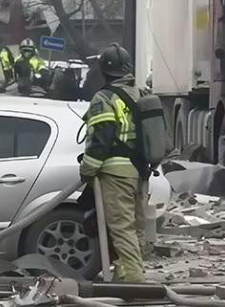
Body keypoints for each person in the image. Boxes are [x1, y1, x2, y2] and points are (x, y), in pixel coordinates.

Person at [79, 43, 147, 283]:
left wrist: (87, 169)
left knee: (121, 227)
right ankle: (128, 272)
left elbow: (102, 136)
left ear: (104, 71)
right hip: (140, 171)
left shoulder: (104, 98)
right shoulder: (143, 94)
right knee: (136, 226)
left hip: (115, 172)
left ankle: (134, 282)